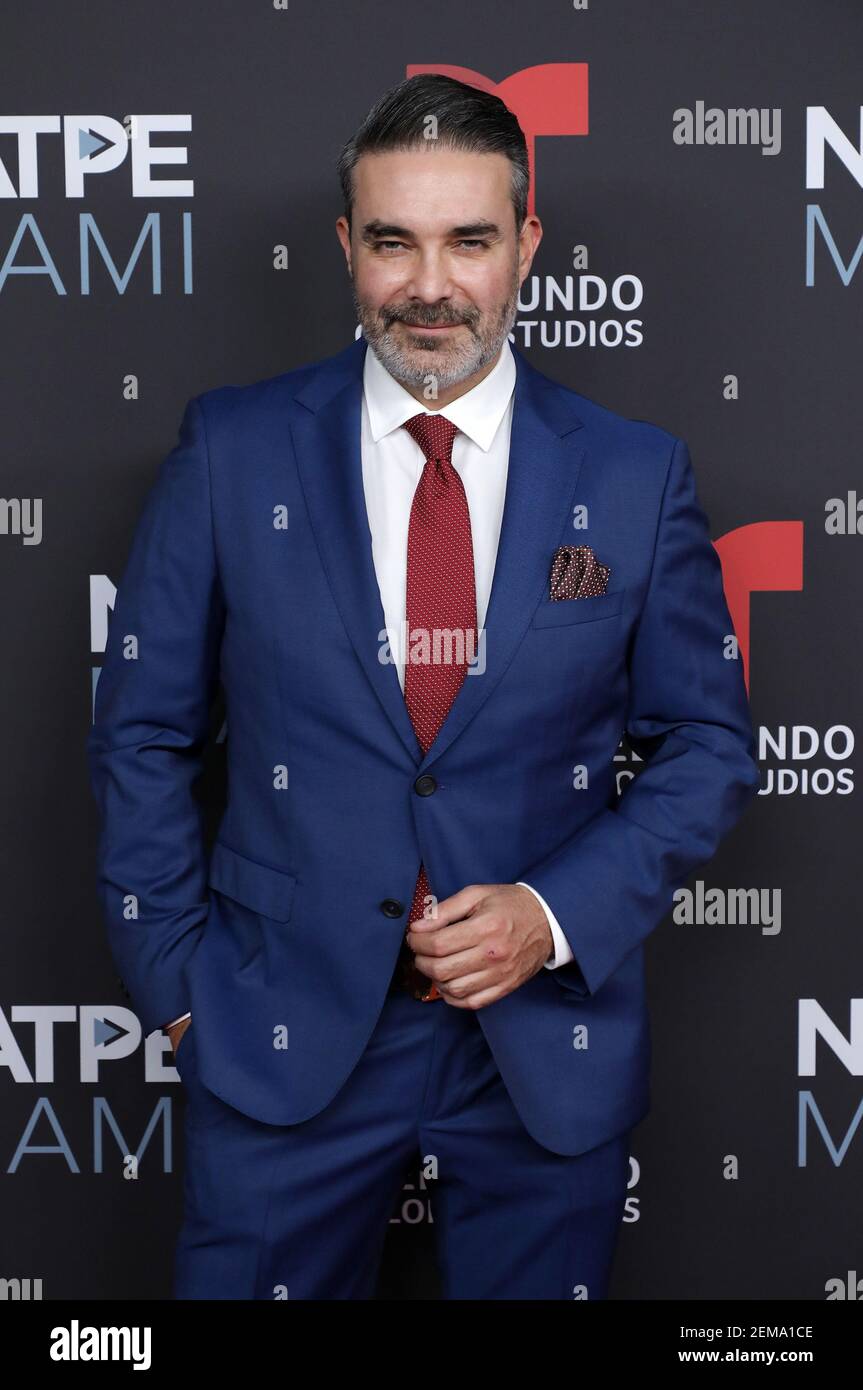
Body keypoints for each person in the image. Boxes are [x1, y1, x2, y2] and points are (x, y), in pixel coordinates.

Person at [87, 72, 759, 1300]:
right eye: (393, 241)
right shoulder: (233, 452)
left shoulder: (631, 475)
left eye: (469, 241)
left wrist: (549, 915)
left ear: (525, 248)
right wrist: (184, 996)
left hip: (542, 1044)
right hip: (278, 1032)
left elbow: (707, 745)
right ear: (346, 248)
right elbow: (142, 735)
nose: (431, 286)